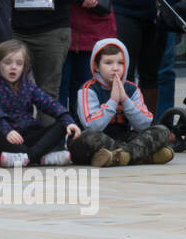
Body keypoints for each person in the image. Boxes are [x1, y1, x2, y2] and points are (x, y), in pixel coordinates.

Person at [68, 38, 173, 166]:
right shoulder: (88, 89)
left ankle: (120, 156)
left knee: (162, 131)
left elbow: (144, 124)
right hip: (95, 141)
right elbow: (92, 126)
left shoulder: (131, 89)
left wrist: (124, 99)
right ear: (96, 66)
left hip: (122, 138)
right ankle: (140, 156)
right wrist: (113, 100)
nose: (115, 68)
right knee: (89, 137)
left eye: (120, 63)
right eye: (108, 63)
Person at [0, 39, 79, 166]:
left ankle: (27, 158)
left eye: (19, 63)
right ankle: (41, 157)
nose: (13, 67)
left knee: (63, 124)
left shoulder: (28, 86)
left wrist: (67, 120)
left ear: (24, 67)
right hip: (6, 137)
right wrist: (7, 131)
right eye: (8, 62)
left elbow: (49, 103)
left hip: (29, 135)